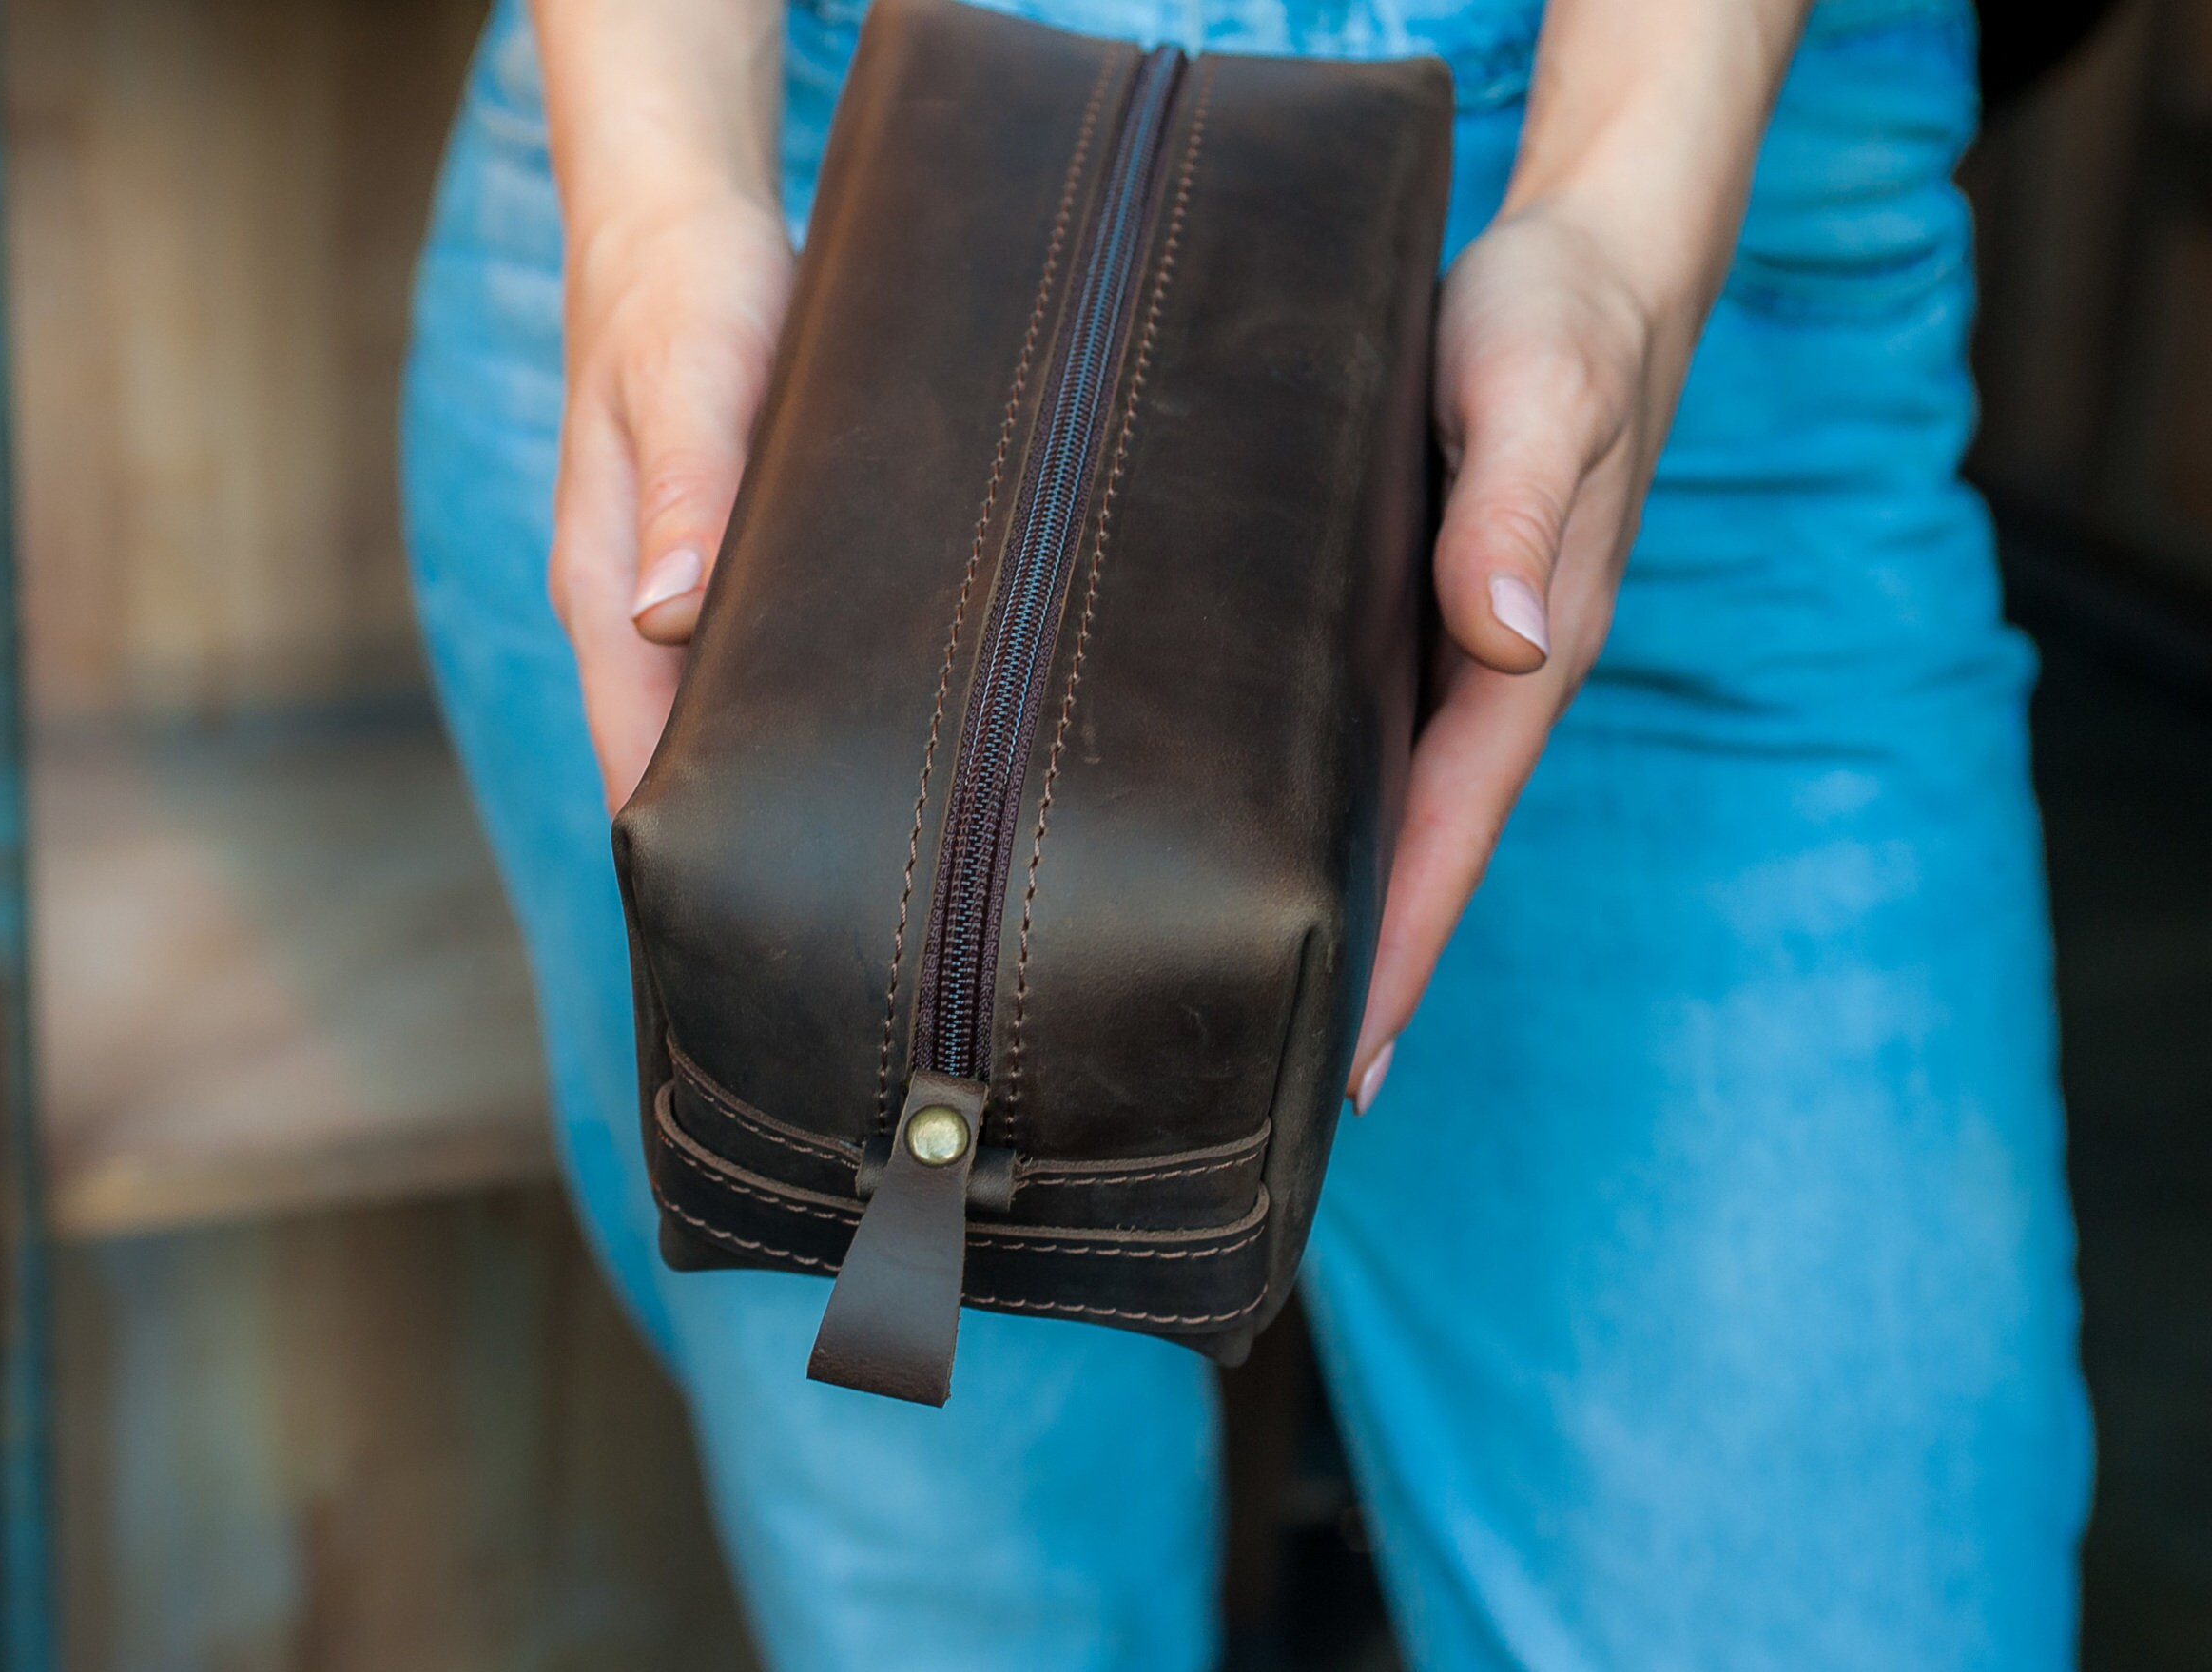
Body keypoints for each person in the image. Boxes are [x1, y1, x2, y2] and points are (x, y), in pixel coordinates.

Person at [399, 0, 2093, 1664]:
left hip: (1677, 248)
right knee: (957, 1611)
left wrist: (1626, 242)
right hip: (760, 224)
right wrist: (652, 214)